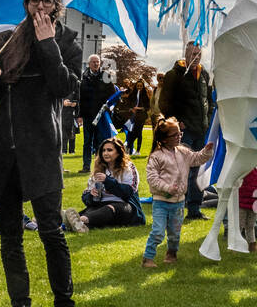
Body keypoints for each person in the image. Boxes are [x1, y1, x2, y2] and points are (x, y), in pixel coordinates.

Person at [0, 0, 82, 307]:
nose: (39, 6)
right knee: (10, 235)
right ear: (25, 3)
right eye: (33, 0)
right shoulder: (6, 40)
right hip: (4, 148)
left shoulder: (66, 42)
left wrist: (48, 43)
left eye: (47, 0)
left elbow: (64, 87)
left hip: (41, 148)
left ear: (57, 6)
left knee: (51, 231)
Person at [142, 118, 213, 268]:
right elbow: (152, 179)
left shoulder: (183, 152)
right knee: (158, 231)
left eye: (179, 133)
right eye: (174, 135)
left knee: (175, 233)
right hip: (161, 202)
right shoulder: (156, 157)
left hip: (179, 202)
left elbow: (197, 158)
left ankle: (171, 253)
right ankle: (148, 258)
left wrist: (207, 151)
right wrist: (168, 188)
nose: (179, 136)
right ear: (164, 139)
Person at [158, 42, 214, 220]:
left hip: (202, 129)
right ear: (186, 54)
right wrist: (176, 122)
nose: (196, 58)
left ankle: (194, 209)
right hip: (184, 130)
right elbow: (164, 103)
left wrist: (210, 118)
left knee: (197, 170)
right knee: (180, 170)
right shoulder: (174, 75)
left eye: (199, 54)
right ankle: (175, 208)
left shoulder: (204, 74)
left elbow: (208, 100)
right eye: (193, 54)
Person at [64, 136, 144, 231]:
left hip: (125, 206)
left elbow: (128, 192)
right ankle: (79, 226)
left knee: (110, 208)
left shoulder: (128, 168)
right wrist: (91, 195)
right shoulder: (99, 169)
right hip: (101, 205)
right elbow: (86, 197)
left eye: (109, 150)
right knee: (92, 211)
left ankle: (78, 221)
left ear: (118, 152)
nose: (105, 153)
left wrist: (108, 181)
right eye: (103, 150)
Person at [76, 55, 114, 173]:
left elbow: (112, 95)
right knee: (87, 141)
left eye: (97, 62)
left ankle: (100, 166)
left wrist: (109, 108)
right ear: (89, 64)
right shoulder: (84, 77)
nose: (96, 64)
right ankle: (86, 166)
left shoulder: (106, 76)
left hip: (101, 115)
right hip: (88, 115)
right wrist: (79, 115)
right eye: (93, 62)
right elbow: (80, 97)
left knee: (100, 141)